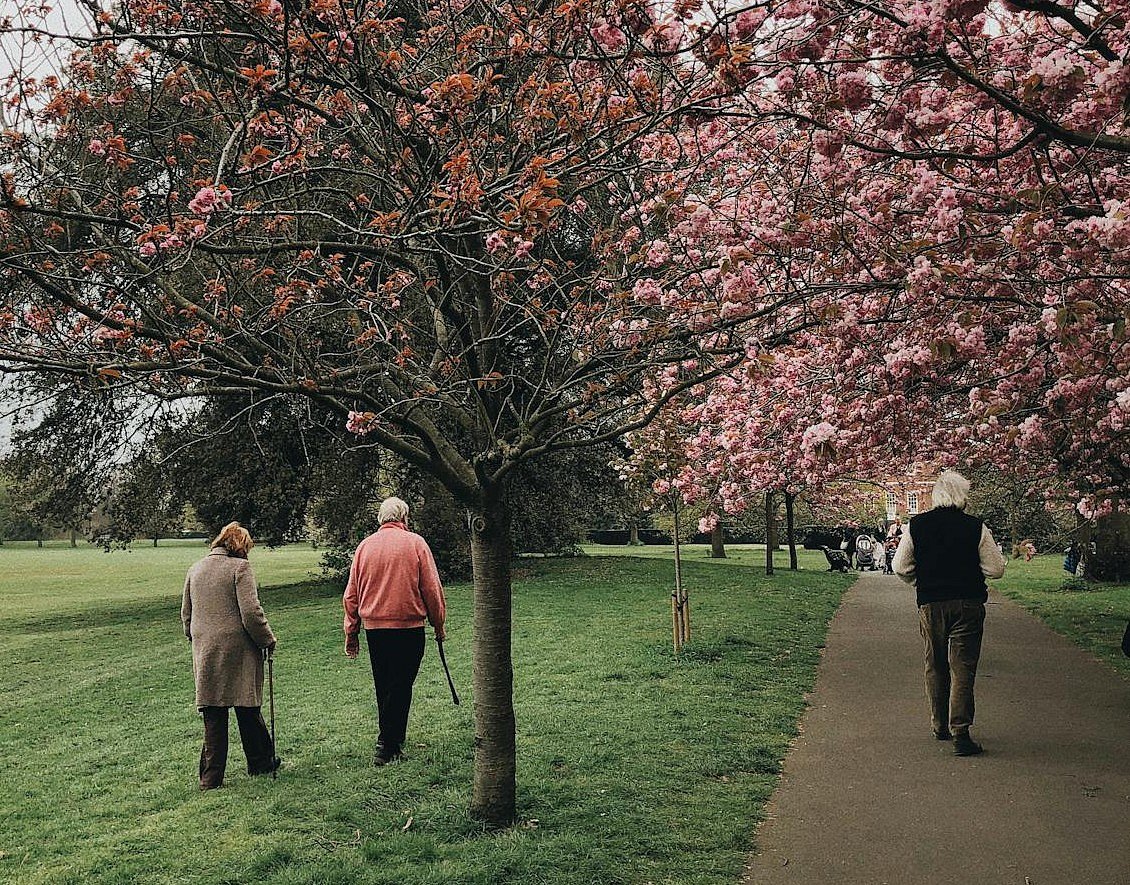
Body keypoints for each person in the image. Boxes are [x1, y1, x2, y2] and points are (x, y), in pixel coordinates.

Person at [892, 471, 1006, 756]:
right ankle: (961, 731)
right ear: (962, 496)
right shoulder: (975, 527)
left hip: (931, 604)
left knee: (936, 664)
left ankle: (939, 724)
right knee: (963, 666)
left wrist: (924, 582)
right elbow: (996, 569)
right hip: (968, 603)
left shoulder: (916, 526)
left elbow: (900, 567)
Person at [343, 497, 447, 765]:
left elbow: (351, 595)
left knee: (385, 684)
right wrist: (438, 623)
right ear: (404, 518)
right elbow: (432, 590)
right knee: (401, 685)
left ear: (381, 518)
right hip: (408, 627)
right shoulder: (415, 543)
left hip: (375, 629)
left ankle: (390, 739)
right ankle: (387, 744)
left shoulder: (364, 547)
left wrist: (351, 631)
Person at [182, 522, 279, 790]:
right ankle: (261, 762)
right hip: (238, 649)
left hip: (206, 650)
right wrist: (267, 639)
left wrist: (198, 639)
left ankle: (211, 778)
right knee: (247, 705)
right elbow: (251, 613)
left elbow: (186, 615)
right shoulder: (240, 568)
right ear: (240, 546)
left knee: (213, 712)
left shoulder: (196, 568)